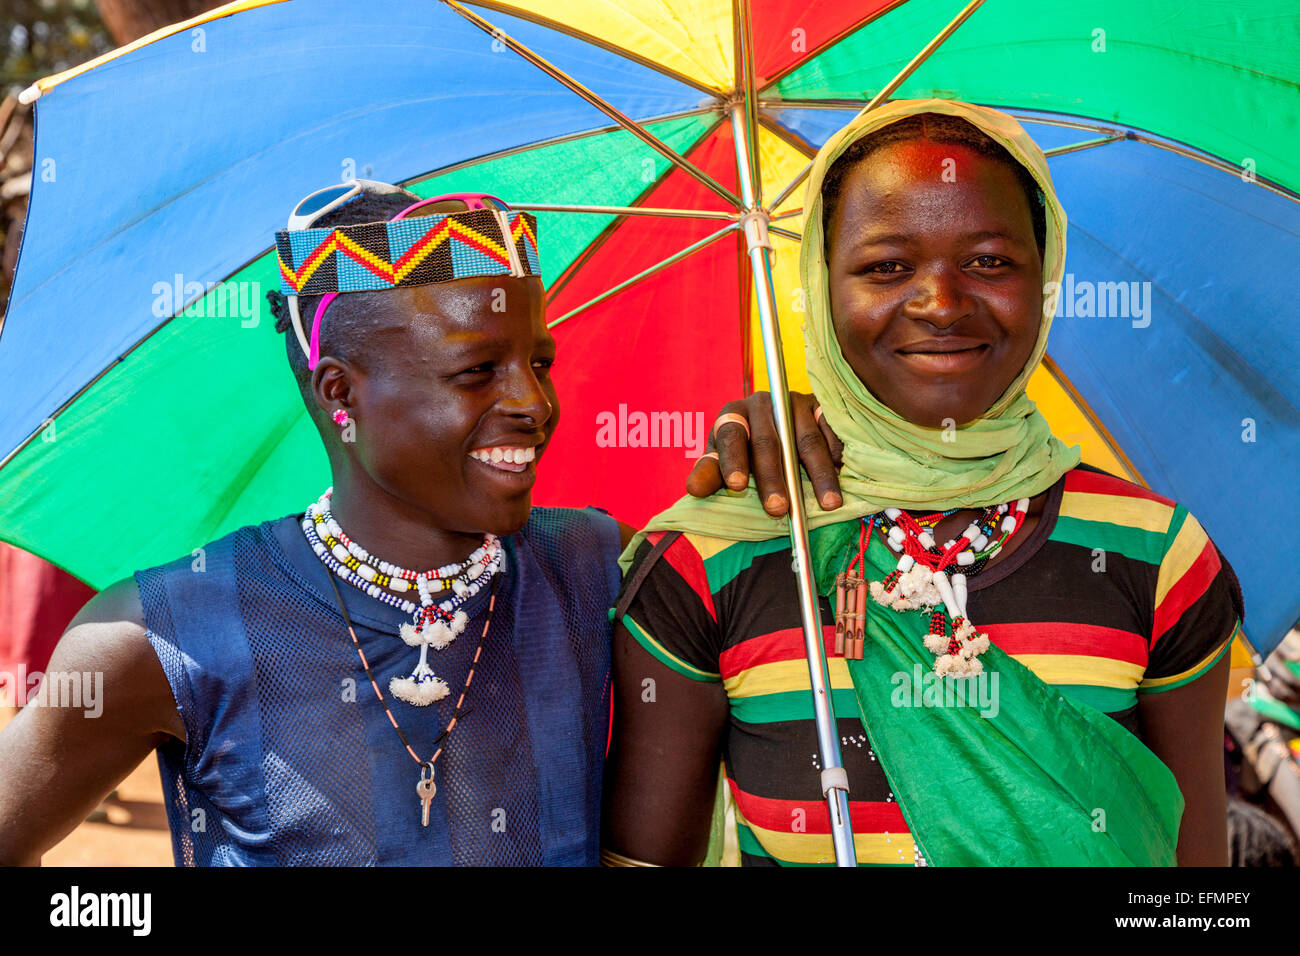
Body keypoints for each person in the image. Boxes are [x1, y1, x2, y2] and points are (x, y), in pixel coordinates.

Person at [0, 183, 821, 866]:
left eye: (540, 363)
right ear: (339, 395)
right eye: (476, 372)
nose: (534, 404)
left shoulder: (600, 567)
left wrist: (787, 435)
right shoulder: (161, 635)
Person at [605, 100, 1242, 867]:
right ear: (821, 286)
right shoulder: (712, 558)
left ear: (1045, 281)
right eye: (886, 267)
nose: (941, 304)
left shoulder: (1157, 555)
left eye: (989, 262)